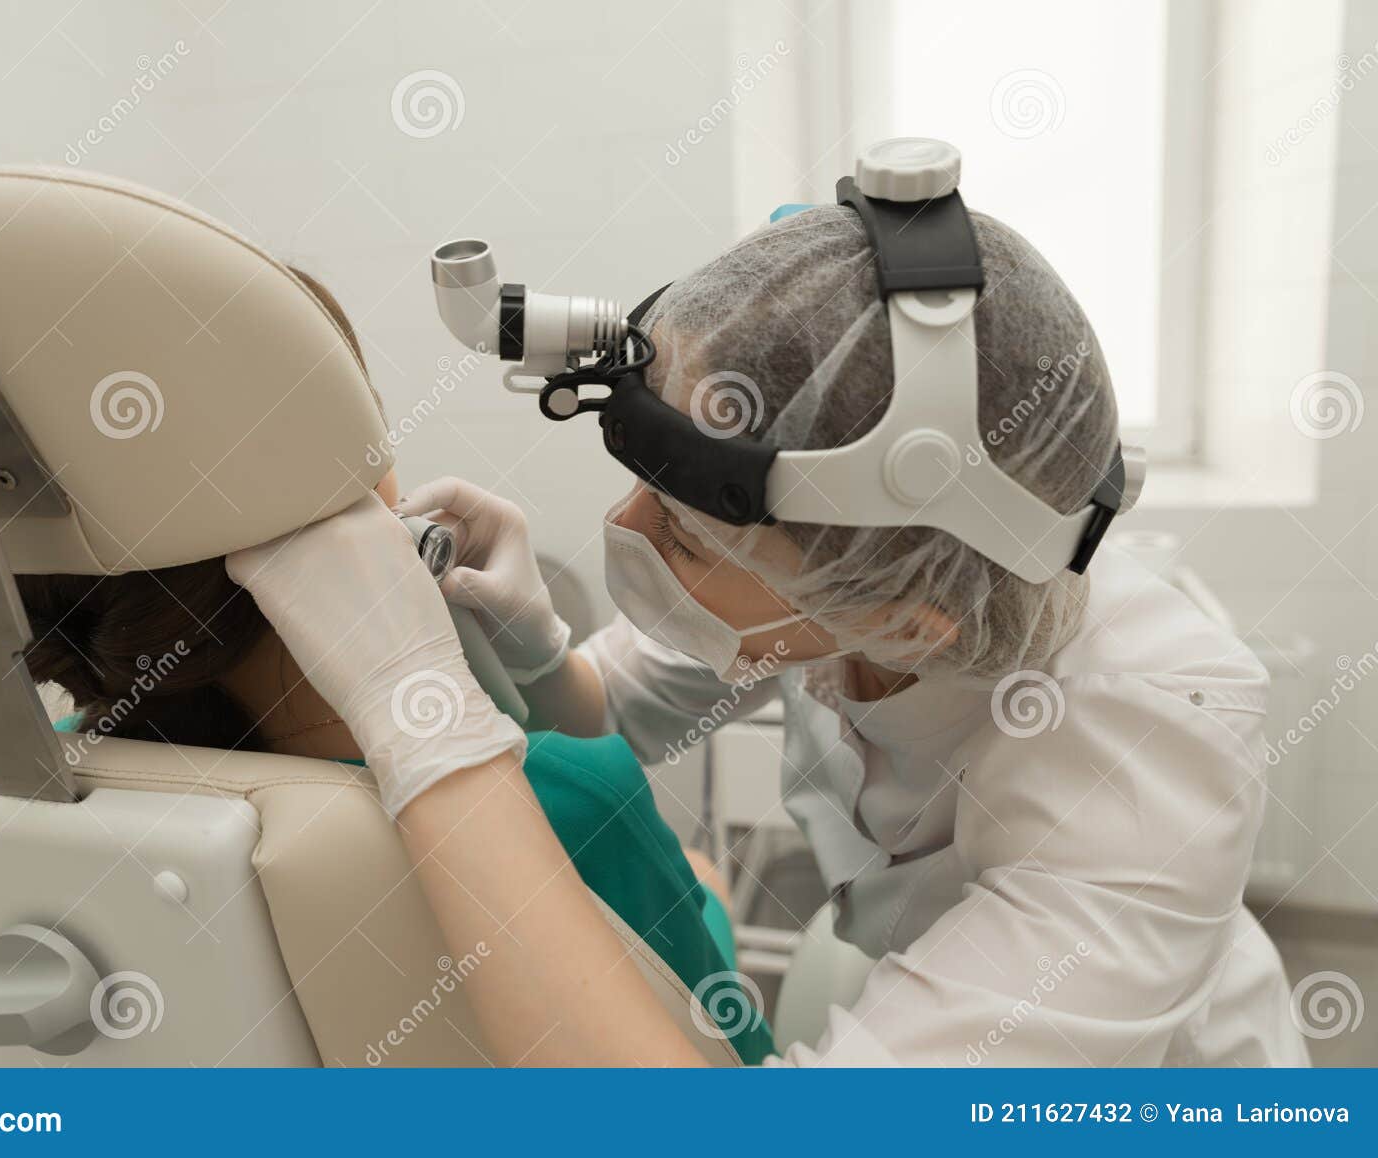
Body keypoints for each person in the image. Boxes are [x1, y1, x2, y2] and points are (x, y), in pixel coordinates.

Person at [230, 208, 1311, 1066]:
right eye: (642, 488)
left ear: (899, 621)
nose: (623, 533)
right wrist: (531, 647)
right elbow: (615, 704)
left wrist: (416, 717)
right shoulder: (832, 580)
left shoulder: (1141, 772)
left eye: (687, 539)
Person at [14, 269, 774, 1065]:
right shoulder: (576, 797)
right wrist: (708, 904)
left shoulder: (48, 783)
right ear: (359, 487)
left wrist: (547, 669)